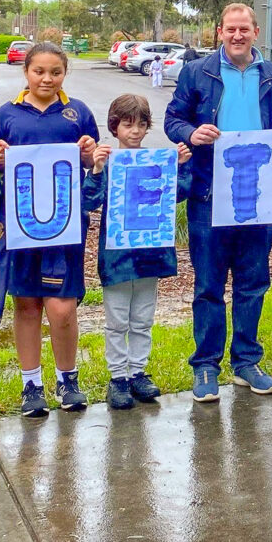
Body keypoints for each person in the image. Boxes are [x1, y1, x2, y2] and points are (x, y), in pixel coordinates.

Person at [164, 3, 272, 402]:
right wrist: (191, 132)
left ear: (256, 32)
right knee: (208, 284)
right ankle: (206, 365)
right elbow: (173, 119)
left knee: (252, 282)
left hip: (256, 196)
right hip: (209, 192)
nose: (237, 36)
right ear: (219, 32)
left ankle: (246, 362)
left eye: (244, 29)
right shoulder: (197, 72)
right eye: (230, 30)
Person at [0, 42, 101, 417]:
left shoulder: (77, 113)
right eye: (39, 71)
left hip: (64, 228)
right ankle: (30, 384)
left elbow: (91, 160)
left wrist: (89, 154)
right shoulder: (7, 115)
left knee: (63, 309)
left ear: (64, 73)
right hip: (21, 226)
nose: (47, 79)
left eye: (55, 72)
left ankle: (68, 378)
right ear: (26, 72)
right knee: (28, 305)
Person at [87, 94, 190, 410]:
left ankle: (138, 372)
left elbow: (178, 193)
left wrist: (182, 166)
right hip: (117, 257)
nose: (134, 131)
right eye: (127, 124)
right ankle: (117, 377)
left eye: (141, 124)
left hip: (150, 254)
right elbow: (89, 201)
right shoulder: (106, 163)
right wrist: (96, 170)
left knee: (143, 319)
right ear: (114, 127)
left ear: (148, 128)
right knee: (117, 320)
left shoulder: (158, 163)